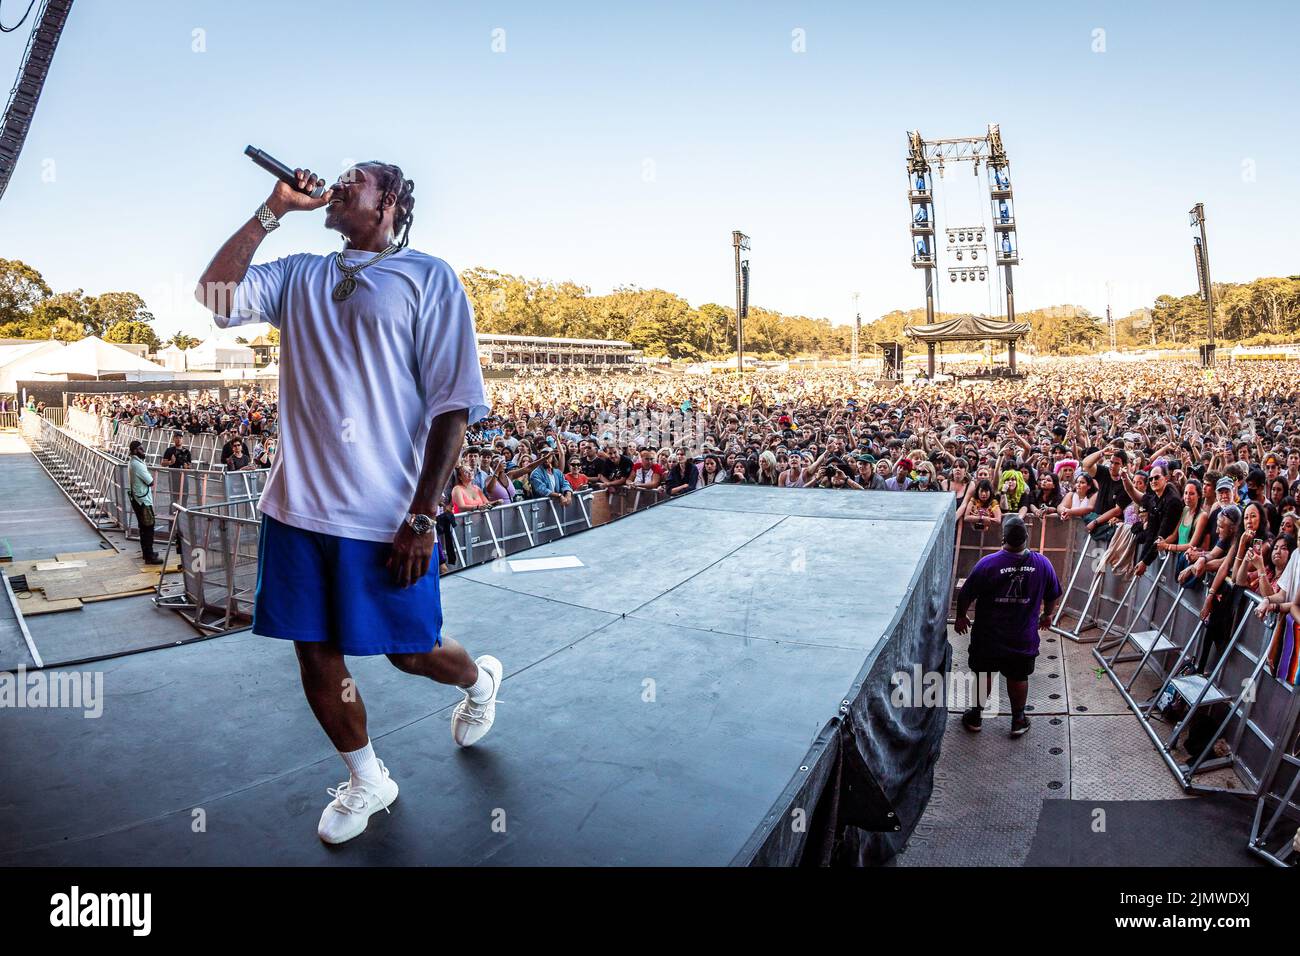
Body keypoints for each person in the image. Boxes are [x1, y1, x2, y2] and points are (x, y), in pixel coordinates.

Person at [195, 160, 501, 846]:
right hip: (297, 509)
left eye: (356, 178)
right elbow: (216, 297)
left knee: (410, 652)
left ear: (389, 200)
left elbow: (455, 407)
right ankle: (367, 778)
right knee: (316, 654)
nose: (338, 182)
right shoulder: (301, 270)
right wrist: (273, 209)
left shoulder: (430, 277)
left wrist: (424, 516)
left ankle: (477, 679)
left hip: (386, 514)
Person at [954, 515, 1062, 738]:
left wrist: (961, 616)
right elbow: (1053, 593)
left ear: (1003, 538)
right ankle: (1018, 720)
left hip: (988, 637)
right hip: (1021, 637)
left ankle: (975, 716)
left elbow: (966, 594)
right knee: (1018, 677)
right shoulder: (1042, 563)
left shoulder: (988, 563)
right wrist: (1047, 614)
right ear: (1026, 537)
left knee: (984, 673)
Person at [127, 440, 163, 565]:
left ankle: (147, 553)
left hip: (138, 499)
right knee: (148, 527)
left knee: (144, 527)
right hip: (143, 501)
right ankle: (149, 556)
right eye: (141, 449)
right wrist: (150, 476)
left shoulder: (133, 462)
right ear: (135, 450)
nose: (144, 451)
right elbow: (150, 481)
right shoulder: (138, 465)